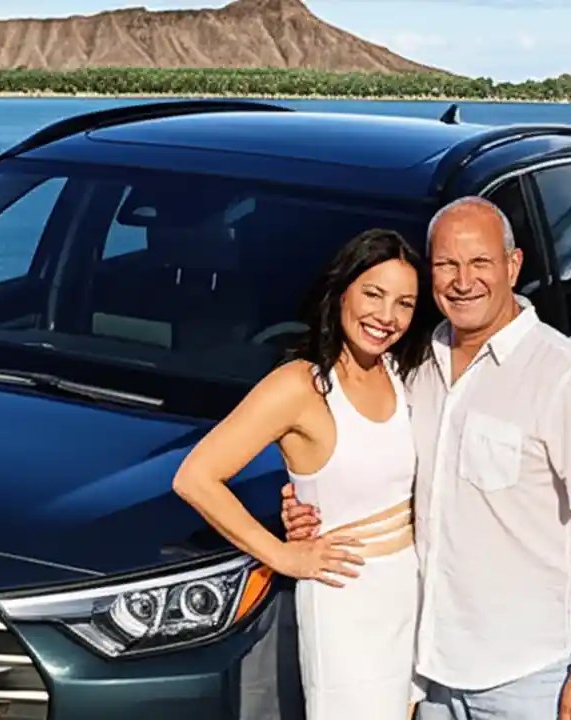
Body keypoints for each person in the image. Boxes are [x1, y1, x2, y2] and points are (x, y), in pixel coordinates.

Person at [280, 196, 571, 720]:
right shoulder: (414, 365)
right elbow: (384, 474)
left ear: (513, 267)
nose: (462, 280)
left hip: (527, 676)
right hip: (428, 668)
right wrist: (313, 504)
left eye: (480, 263)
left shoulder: (567, 379)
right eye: (446, 264)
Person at [172, 228, 436, 720]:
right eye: (373, 294)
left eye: (404, 303)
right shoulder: (299, 385)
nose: (386, 316)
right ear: (341, 292)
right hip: (344, 604)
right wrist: (284, 556)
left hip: (409, 596)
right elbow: (196, 477)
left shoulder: (402, 372)